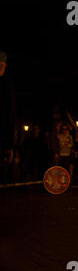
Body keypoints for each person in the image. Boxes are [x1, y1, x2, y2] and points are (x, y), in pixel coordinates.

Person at [0, 50, 16, 183]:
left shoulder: (6, 87)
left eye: (2, 65)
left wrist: (10, 146)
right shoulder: (6, 86)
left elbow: (9, 117)